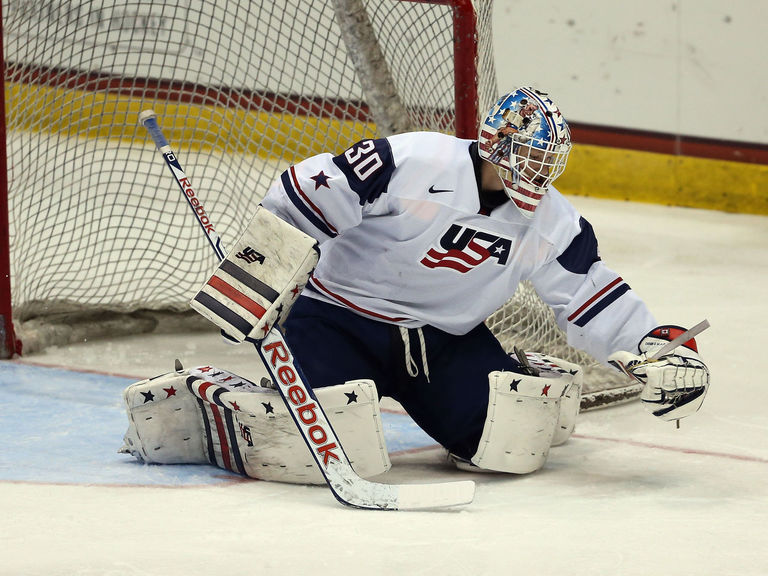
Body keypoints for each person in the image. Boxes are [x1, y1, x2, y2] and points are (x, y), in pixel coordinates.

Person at [120, 87, 710, 481]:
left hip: (442, 342)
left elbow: (591, 294)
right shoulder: (414, 161)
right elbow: (303, 194)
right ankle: (209, 398)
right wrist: (259, 272)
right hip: (335, 319)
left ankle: (529, 377)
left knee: (509, 449)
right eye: (527, 157)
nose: (538, 174)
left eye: (546, 162)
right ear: (496, 143)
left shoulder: (553, 222)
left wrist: (659, 346)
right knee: (316, 449)